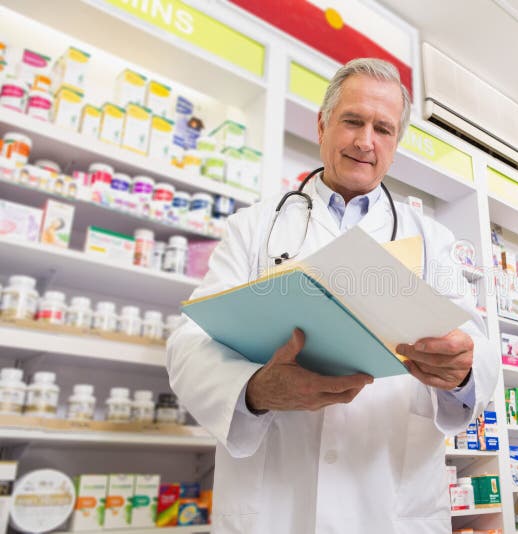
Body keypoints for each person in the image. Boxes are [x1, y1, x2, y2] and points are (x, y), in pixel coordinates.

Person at [167, 58, 498, 534]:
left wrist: (462, 369)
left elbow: (477, 348)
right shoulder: (254, 228)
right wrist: (257, 390)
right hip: (278, 506)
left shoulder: (431, 241)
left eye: (383, 129)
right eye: (353, 121)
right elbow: (189, 344)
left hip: (387, 503)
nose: (366, 141)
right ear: (322, 125)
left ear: (395, 144)